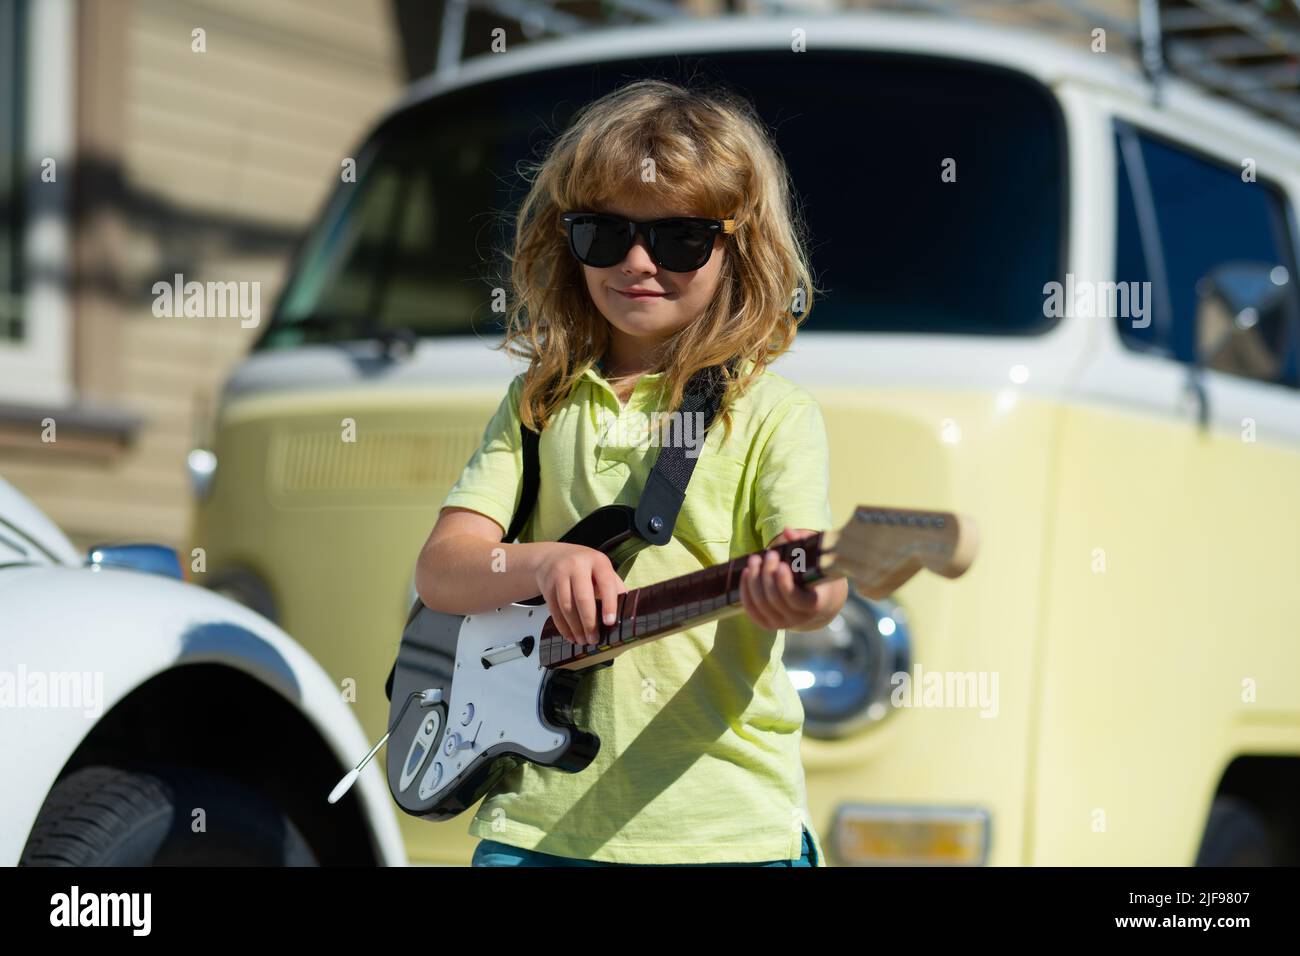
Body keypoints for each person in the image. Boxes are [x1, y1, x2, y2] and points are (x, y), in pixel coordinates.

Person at [414, 77, 848, 867]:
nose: (639, 262)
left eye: (681, 238)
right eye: (604, 234)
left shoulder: (773, 413)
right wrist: (544, 562)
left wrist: (805, 591)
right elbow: (442, 572)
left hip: (723, 829)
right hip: (535, 827)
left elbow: (813, 571)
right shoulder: (537, 401)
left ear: (738, 247)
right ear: (564, 240)